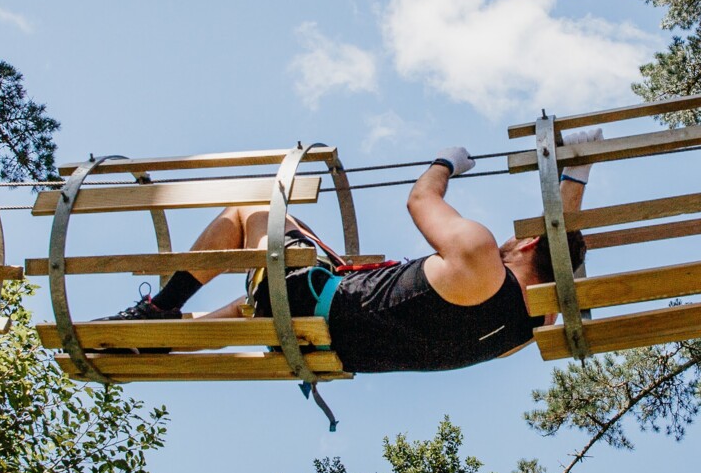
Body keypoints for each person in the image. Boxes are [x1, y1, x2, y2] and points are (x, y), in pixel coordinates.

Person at [97, 134, 600, 372]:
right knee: (249, 308)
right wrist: (574, 174)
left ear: (529, 242)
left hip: (306, 301)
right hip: (321, 346)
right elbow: (559, 247)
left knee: (251, 206)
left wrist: (446, 161)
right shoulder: (529, 330)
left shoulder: (478, 257)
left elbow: (420, 198)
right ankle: (162, 337)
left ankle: (157, 309)